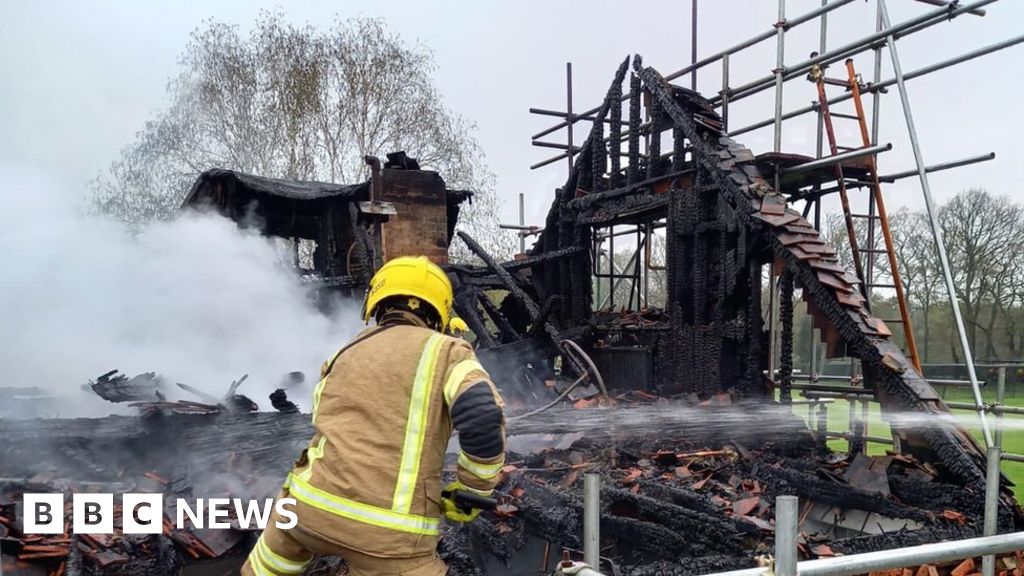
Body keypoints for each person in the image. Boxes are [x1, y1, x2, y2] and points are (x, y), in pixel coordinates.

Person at [243, 256, 506, 576]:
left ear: (375, 303)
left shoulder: (345, 352)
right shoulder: (448, 351)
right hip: (387, 534)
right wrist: (473, 491)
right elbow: (481, 414)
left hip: (303, 509)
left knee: (267, 566)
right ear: (440, 311)